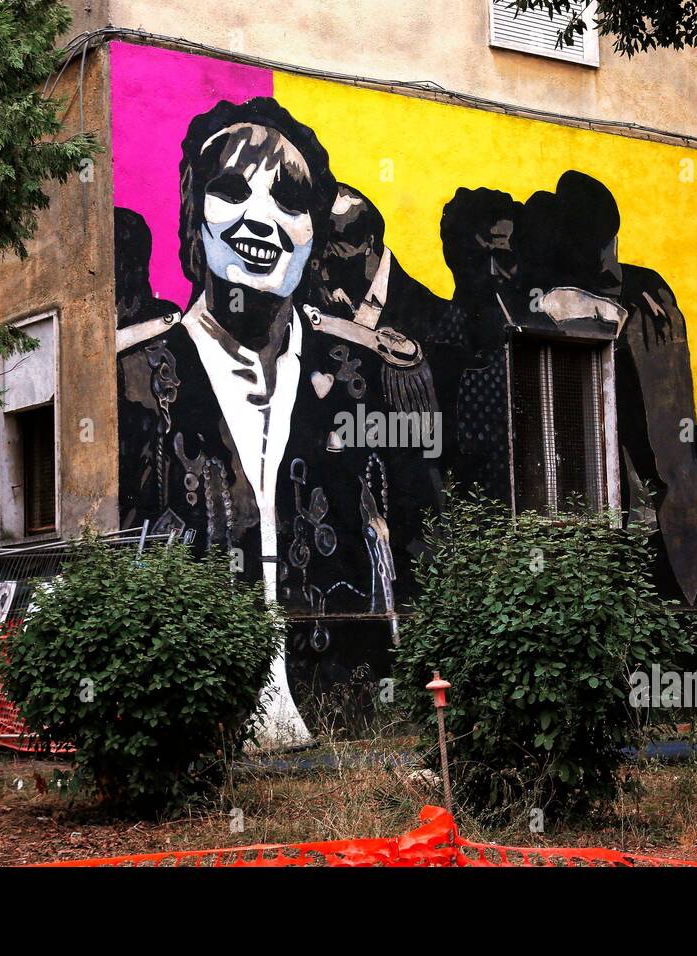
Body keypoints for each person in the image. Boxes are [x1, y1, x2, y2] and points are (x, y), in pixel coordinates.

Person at [115, 98, 436, 741]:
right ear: (192, 213)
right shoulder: (133, 378)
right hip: (195, 738)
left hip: (350, 733)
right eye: (231, 191)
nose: (259, 218)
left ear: (314, 233)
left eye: (289, 201)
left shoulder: (373, 371)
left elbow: (420, 540)